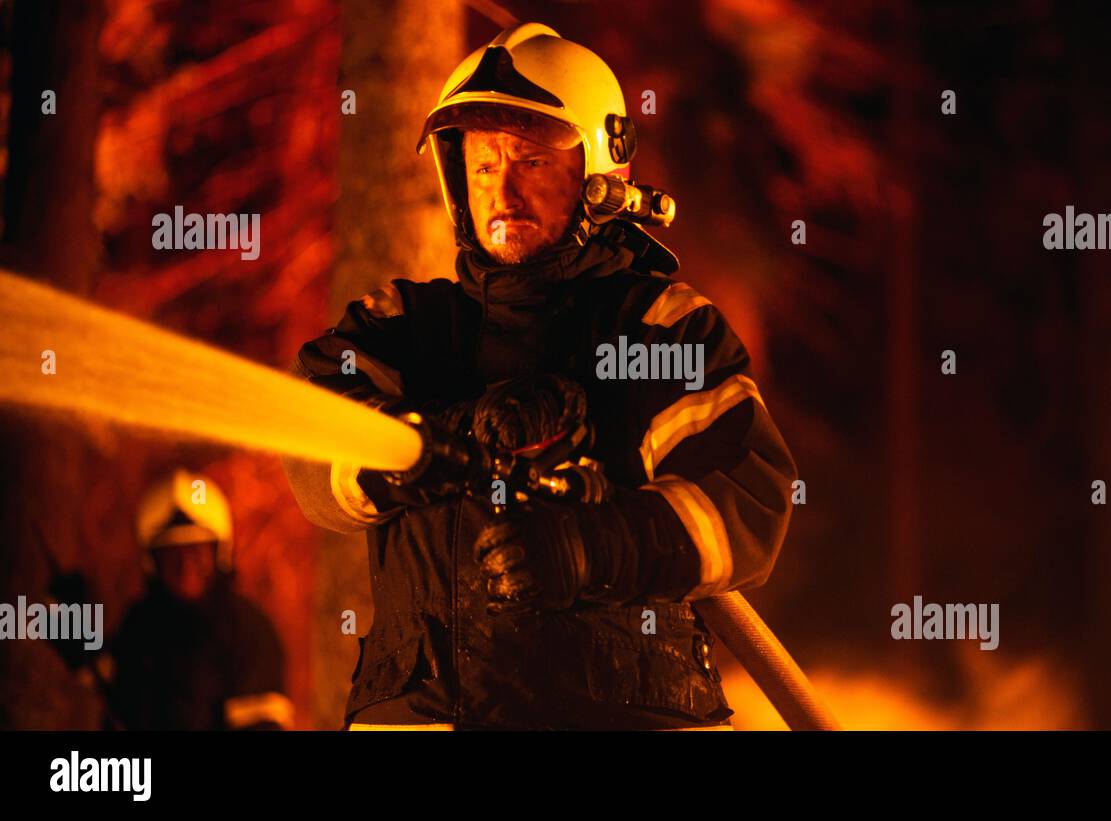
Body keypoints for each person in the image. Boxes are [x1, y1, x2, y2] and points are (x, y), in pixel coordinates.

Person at [283, 22, 796, 730]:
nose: (503, 190)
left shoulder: (660, 329)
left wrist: (590, 548)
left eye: (531, 160)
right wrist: (432, 441)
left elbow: (747, 500)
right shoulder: (402, 328)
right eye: (484, 165)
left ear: (598, 180)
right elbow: (311, 453)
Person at [106, 469, 291, 730]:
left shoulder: (248, 630)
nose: (185, 566)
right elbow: (113, 688)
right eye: (172, 553)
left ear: (218, 554)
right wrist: (70, 628)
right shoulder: (139, 623)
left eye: (196, 551)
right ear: (152, 561)